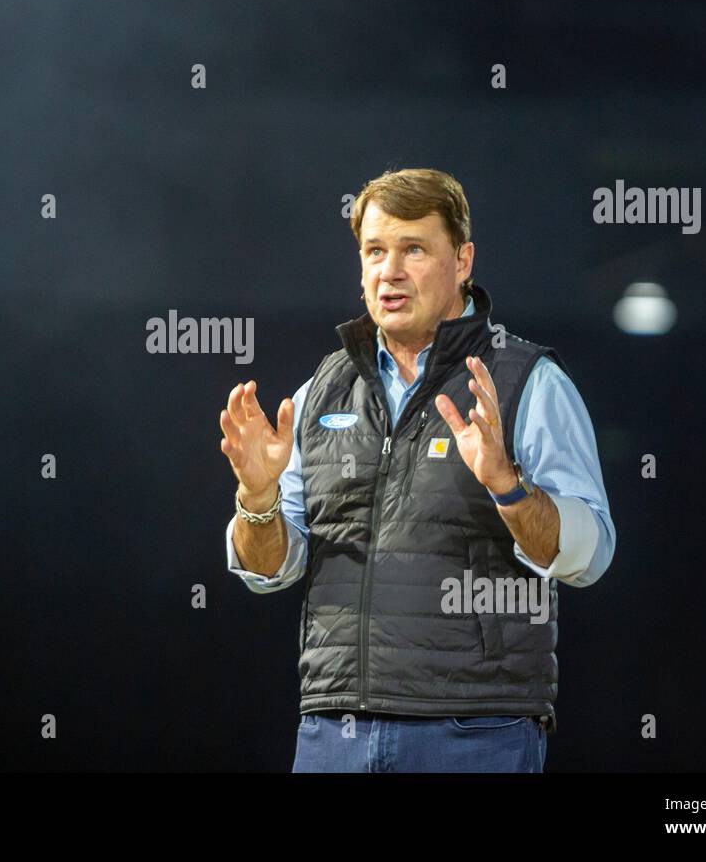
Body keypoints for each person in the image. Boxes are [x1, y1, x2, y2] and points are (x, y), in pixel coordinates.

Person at [218, 167, 615, 772]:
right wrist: (256, 495)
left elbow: (591, 554)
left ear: (462, 262)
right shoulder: (322, 390)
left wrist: (507, 487)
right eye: (374, 251)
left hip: (474, 730)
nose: (390, 271)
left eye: (413, 250)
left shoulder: (526, 382)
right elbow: (268, 570)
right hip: (333, 730)